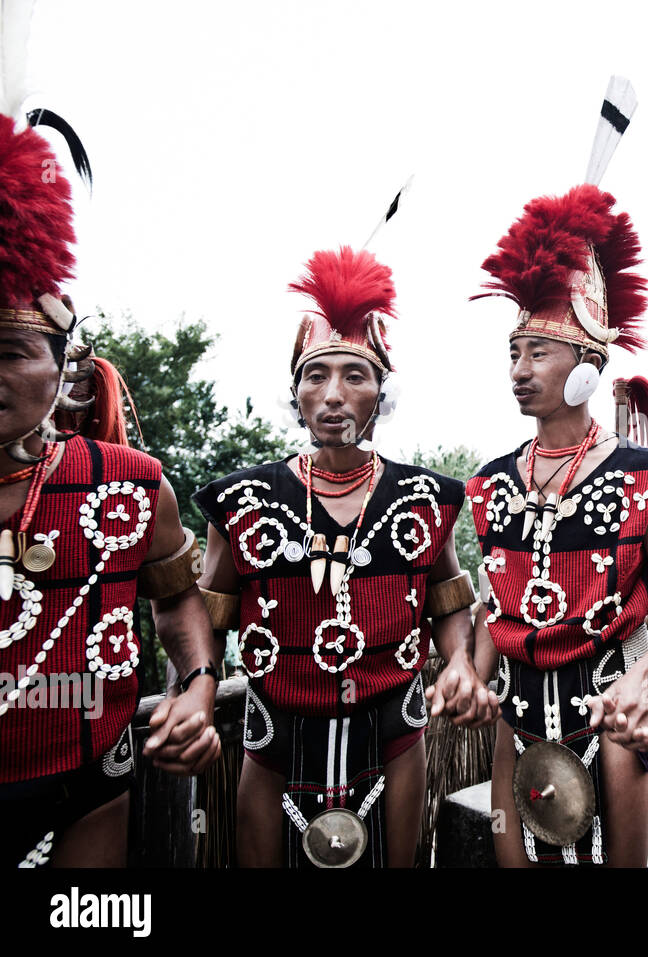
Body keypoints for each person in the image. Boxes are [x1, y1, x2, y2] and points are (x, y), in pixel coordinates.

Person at [0, 18, 221, 866]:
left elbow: (176, 601)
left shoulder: (128, 485)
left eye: (11, 351)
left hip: (88, 788)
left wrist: (199, 684)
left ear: (65, 365)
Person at [195, 246, 495, 867]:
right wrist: (194, 687)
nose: (333, 393)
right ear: (295, 394)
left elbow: (449, 602)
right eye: (316, 375)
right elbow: (205, 618)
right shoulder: (241, 501)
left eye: (354, 376)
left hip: (394, 737)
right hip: (273, 738)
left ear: (381, 394)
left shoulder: (428, 498)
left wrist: (460, 660)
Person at [467, 79, 648, 866]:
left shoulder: (644, 479)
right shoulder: (490, 480)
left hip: (609, 726)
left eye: (538, 351)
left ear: (588, 363)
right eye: (513, 351)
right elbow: (492, 610)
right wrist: (470, 676)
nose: (519, 368)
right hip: (513, 730)